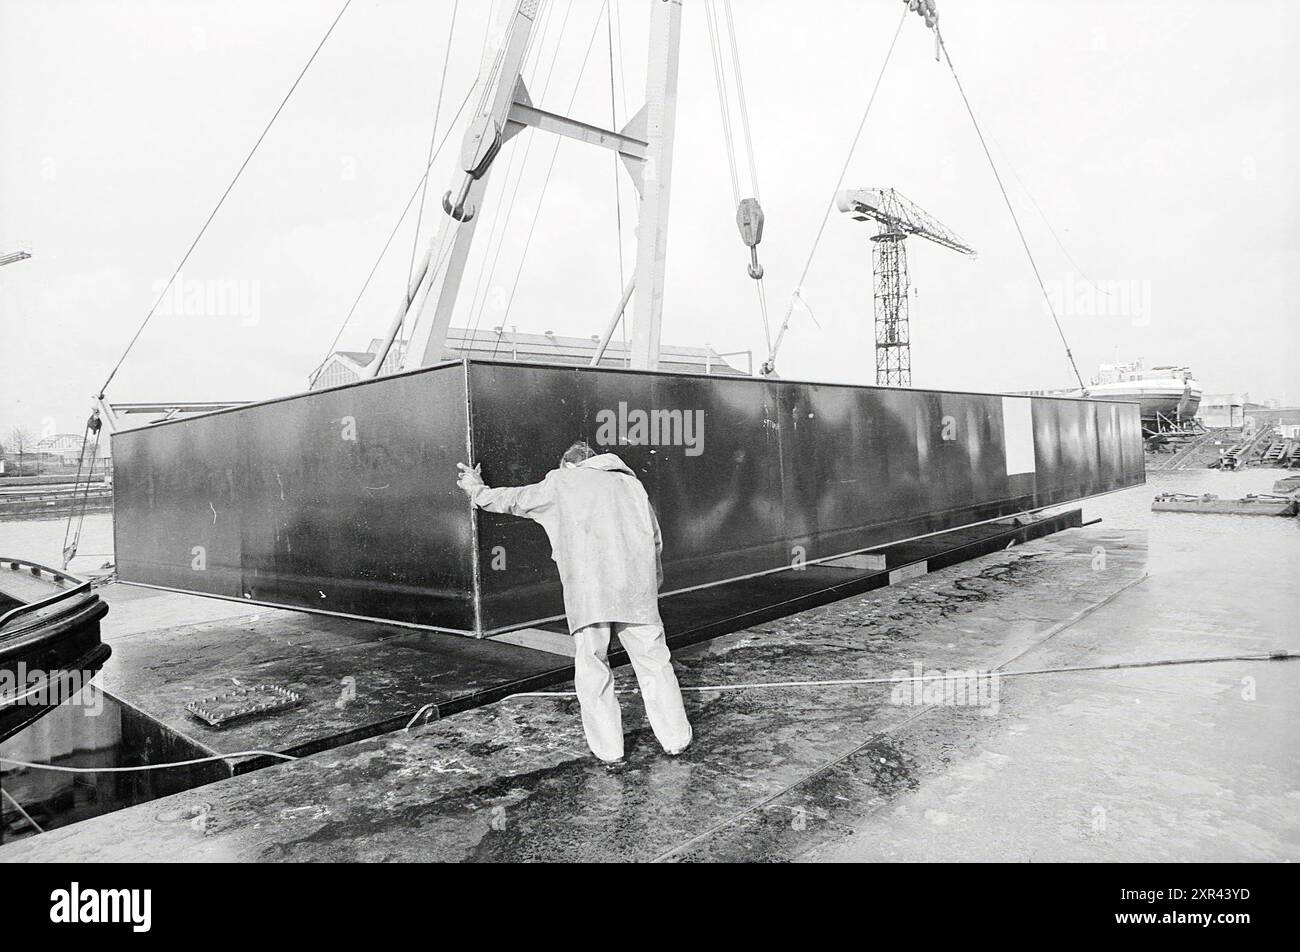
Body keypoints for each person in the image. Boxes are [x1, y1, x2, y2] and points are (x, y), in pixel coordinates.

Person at [456, 441, 692, 765]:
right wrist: (652, 585)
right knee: (654, 664)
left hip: (590, 594)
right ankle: (676, 740)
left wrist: (476, 488)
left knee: (593, 668)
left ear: (568, 465)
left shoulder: (561, 482)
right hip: (637, 592)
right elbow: (655, 540)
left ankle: (611, 751)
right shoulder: (631, 484)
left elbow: (512, 500)